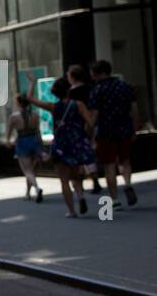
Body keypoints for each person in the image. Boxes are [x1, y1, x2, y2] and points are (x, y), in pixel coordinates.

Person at [27, 73, 94, 217]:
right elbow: (91, 123)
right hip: (76, 143)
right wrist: (86, 136)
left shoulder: (53, 107)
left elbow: (30, 99)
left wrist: (32, 82)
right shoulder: (79, 104)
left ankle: (71, 211)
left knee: (64, 180)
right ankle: (81, 196)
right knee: (75, 175)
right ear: (69, 89)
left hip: (60, 145)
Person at [88, 60, 142, 207]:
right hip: (125, 129)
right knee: (125, 160)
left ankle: (114, 199)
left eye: (93, 73)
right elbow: (134, 109)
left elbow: (94, 116)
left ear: (99, 73)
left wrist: (90, 132)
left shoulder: (97, 90)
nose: (91, 76)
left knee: (109, 165)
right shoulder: (125, 87)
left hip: (106, 132)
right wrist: (135, 128)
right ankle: (128, 183)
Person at [5, 95, 45, 203]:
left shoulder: (14, 117)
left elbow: (8, 133)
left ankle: (37, 188)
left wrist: (8, 142)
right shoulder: (35, 115)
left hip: (22, 141)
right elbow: (38, 131)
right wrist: (41, 146)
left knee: (27, 170)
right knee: (32, 170)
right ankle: (27, 193)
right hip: (34, 141)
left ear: (18, 103)